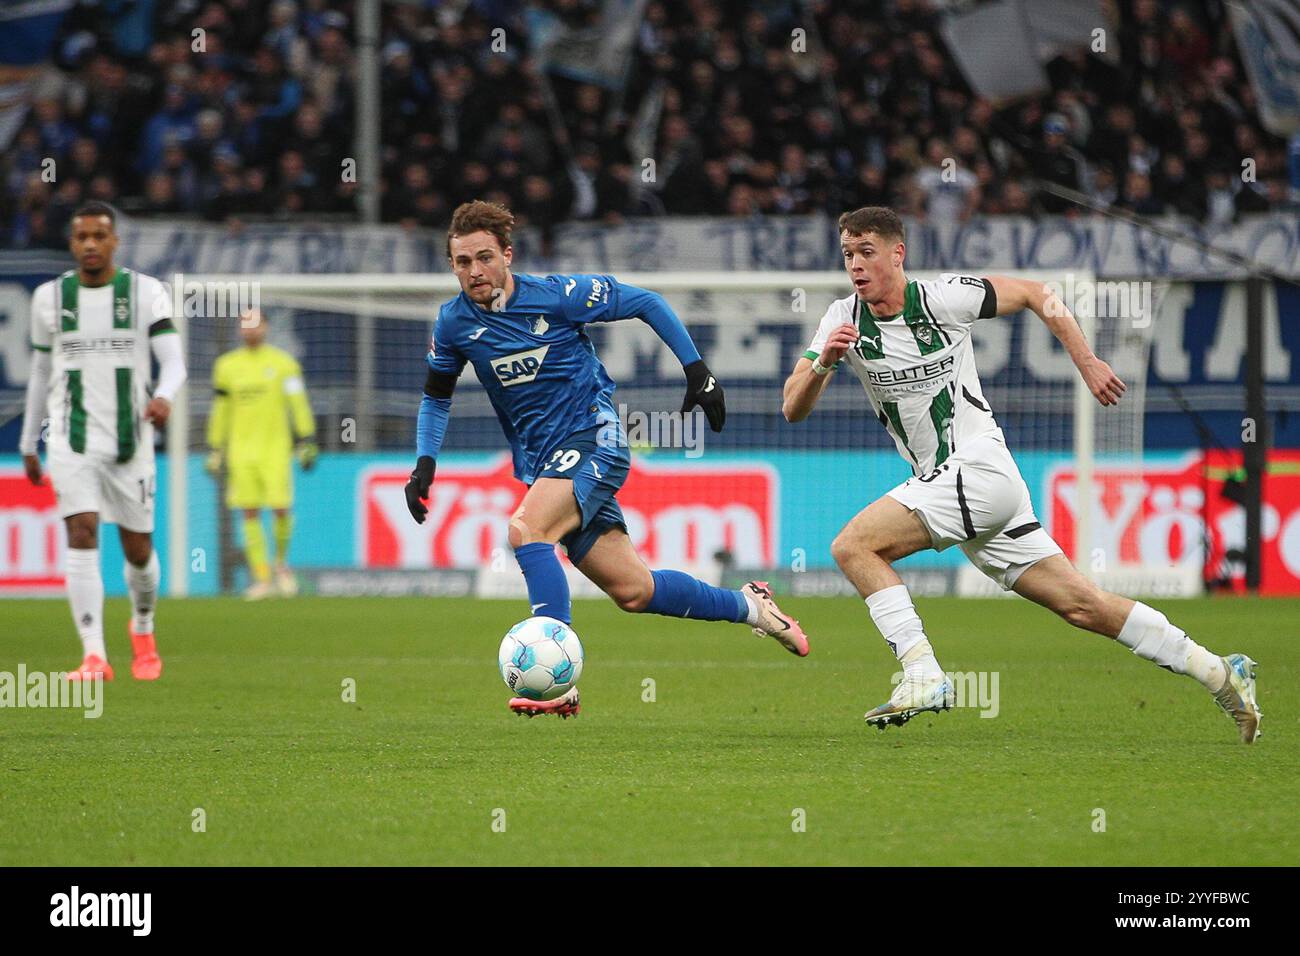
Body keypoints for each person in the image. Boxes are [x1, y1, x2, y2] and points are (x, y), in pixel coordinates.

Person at [782, 206, 1261, 742]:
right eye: (848, 254)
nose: (856, 265)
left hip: (977, 467)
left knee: (854, 547)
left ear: (898, 253)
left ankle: (922, 672)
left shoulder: (944, 298)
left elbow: (1038, 293)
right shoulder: (840, 321)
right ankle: (1220, 671)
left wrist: (1088, 362)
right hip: (966, 487)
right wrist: (824, 362)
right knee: (1083, 606)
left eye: (867, 252)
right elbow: (792, 408)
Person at [405, 200, 808, 718]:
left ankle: (559, 679)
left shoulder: (558, 296)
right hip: (545, 464)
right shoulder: (454, 323)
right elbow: (436, 396)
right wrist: (424, 462)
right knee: (635, 591)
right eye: (462, 262)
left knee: (527, 529)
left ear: (507, 254)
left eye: (484, 257)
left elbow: (647, 301)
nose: (474, 271)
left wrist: (697, 370)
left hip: (595, 438)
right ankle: (754, 607)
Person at [19, 201, 187, 680]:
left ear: (115, 241)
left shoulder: (145, 292)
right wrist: (31, 441)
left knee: (138, 551)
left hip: (130, 442)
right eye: (81, 237)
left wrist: (163, 395)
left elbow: (174, 362)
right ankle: (94, 655)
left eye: (99, 235)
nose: (90, 244)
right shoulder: (49, 300)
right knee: (82, 530)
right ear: (71, 244)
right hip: (71, 441)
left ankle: (143, 625)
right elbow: (40, 372)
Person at [206, 307, 318, 599]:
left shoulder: (284, 364)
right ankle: (262, 576)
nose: (250, 330)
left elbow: (298, 403)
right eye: (245, 324)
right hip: (240, 453)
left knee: (281, 508)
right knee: (249, 513)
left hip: (275, 451)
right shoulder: (226, 366)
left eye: (256, 324)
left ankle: (281, 564)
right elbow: (221, 410)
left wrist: (306, 439)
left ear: (266, 328)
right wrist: (215, 447)